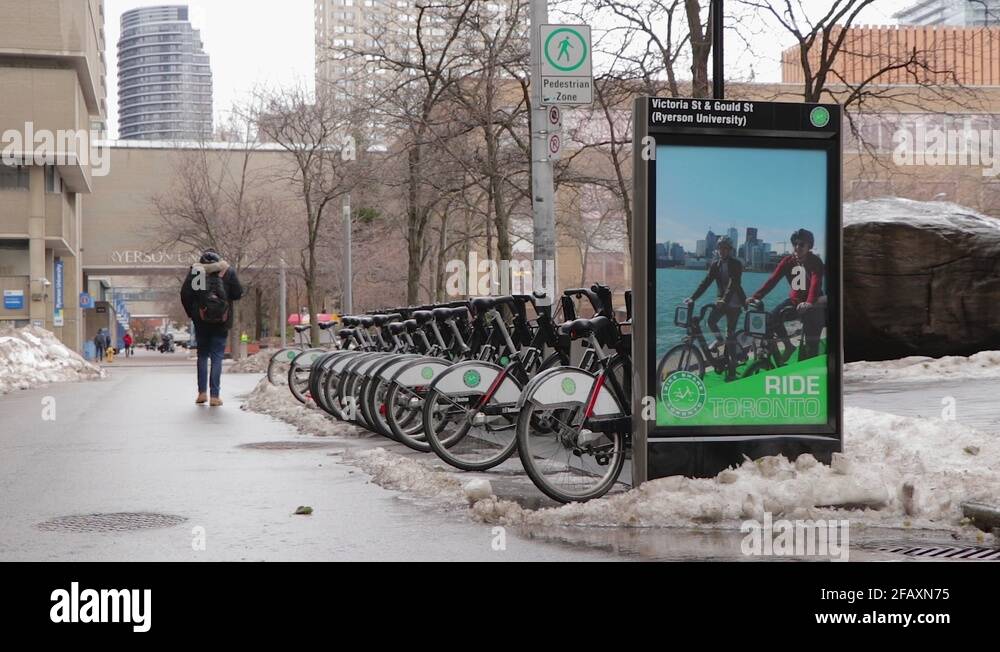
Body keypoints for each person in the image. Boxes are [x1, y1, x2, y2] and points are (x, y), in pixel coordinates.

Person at [747, 228, 826, 361]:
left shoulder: (815, 261)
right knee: (771, 319)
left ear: (809, 246)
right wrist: (756, 296)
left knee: (811, 346)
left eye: (801, 244)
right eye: (795, 244)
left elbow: (815, 282)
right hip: (795, 301)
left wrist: (809, 302)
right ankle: (788, 346)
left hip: (814, 303)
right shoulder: (788, 261)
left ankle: (811, 359)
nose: (797, 247)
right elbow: (772, 280)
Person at [180, 249, 244, 406]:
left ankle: (202, 393)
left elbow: (186, 295)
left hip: (201, 320)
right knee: (217, 357)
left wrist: (192, 313)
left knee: (202, 355)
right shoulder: (226, 271)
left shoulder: (197, 272)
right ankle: (215, 395)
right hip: (221, 321)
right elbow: (237, 293)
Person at [686, 236, 746, 379]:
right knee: (710, 321)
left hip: (735, 302)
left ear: (730, 250)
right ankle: (719, 340)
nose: (722, 251)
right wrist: (693, 297)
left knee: (730, 335)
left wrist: (724, 300)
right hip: (722, 301)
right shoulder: (715, 264)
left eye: (725, 248)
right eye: (720, 248)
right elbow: (706, 282)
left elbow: (733, 283)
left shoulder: (736, 264)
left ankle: (732, 371)